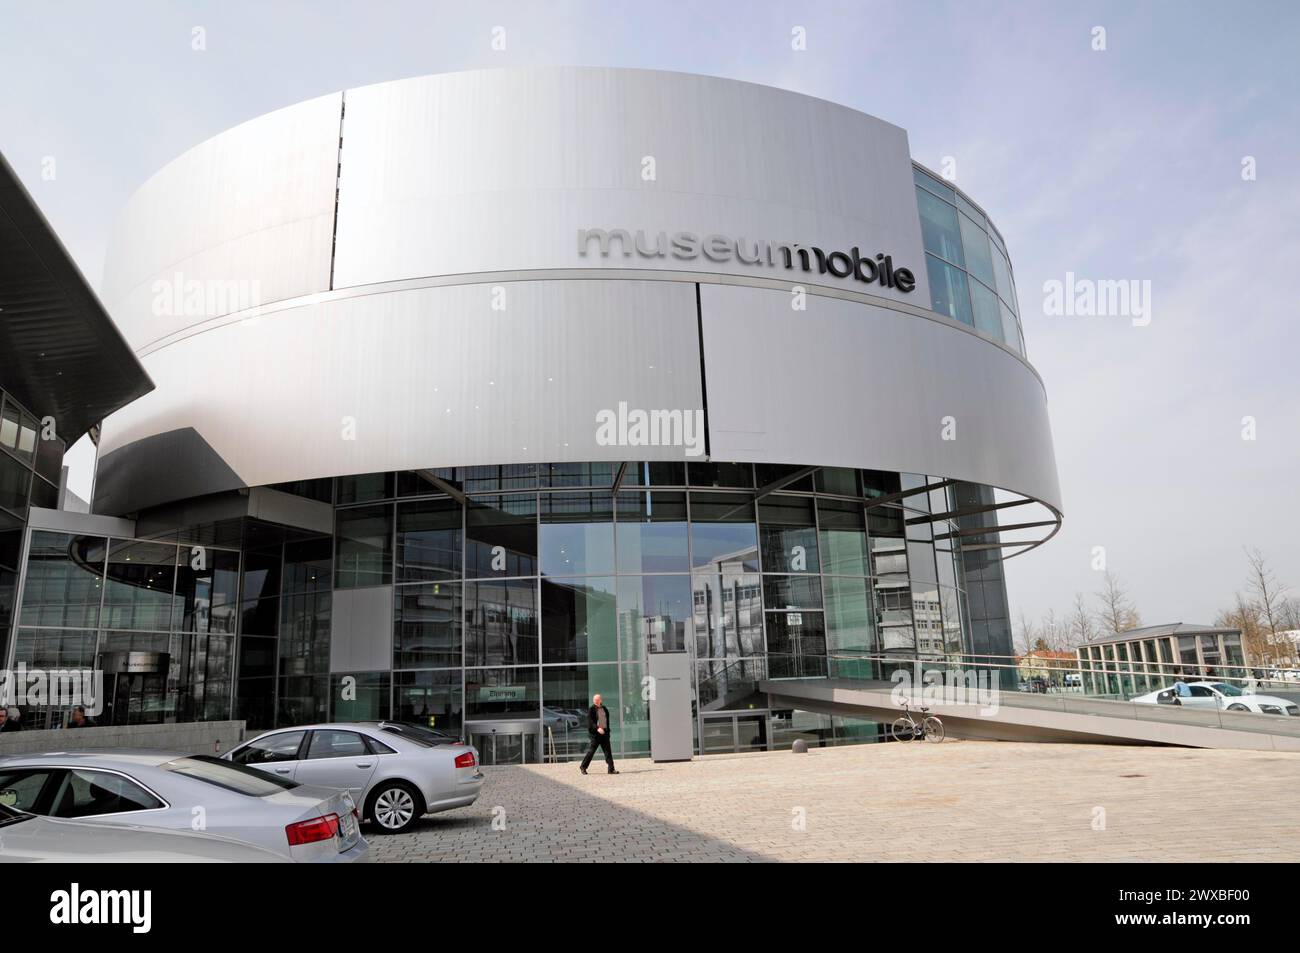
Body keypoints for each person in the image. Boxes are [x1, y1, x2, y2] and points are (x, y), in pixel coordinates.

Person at [579, 692, 618, 775]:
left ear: (600, 700)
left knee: (608, 751)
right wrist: (597, 728)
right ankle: (583, 767)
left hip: (604, 733)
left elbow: (606, 721)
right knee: (591, 751)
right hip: (595, 735)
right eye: (594, 700)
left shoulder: (604, 708)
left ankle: (611, 769)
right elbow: (590, 722)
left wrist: (607, 731)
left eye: (597, 700)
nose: (596, 701)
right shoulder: (591, 709)